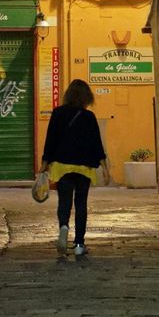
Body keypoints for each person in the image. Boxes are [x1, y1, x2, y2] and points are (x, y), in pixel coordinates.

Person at [40, 79, 108, 257]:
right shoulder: (88, 117)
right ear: (87, 97)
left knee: (64, 202)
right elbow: (97, 145)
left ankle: (63, 227)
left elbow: (51, 140)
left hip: (62, 166)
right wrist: (105, 168)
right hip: (83, 168)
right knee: (81, 204)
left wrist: (44, 163)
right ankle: (79, 244)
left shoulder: (57, 113)